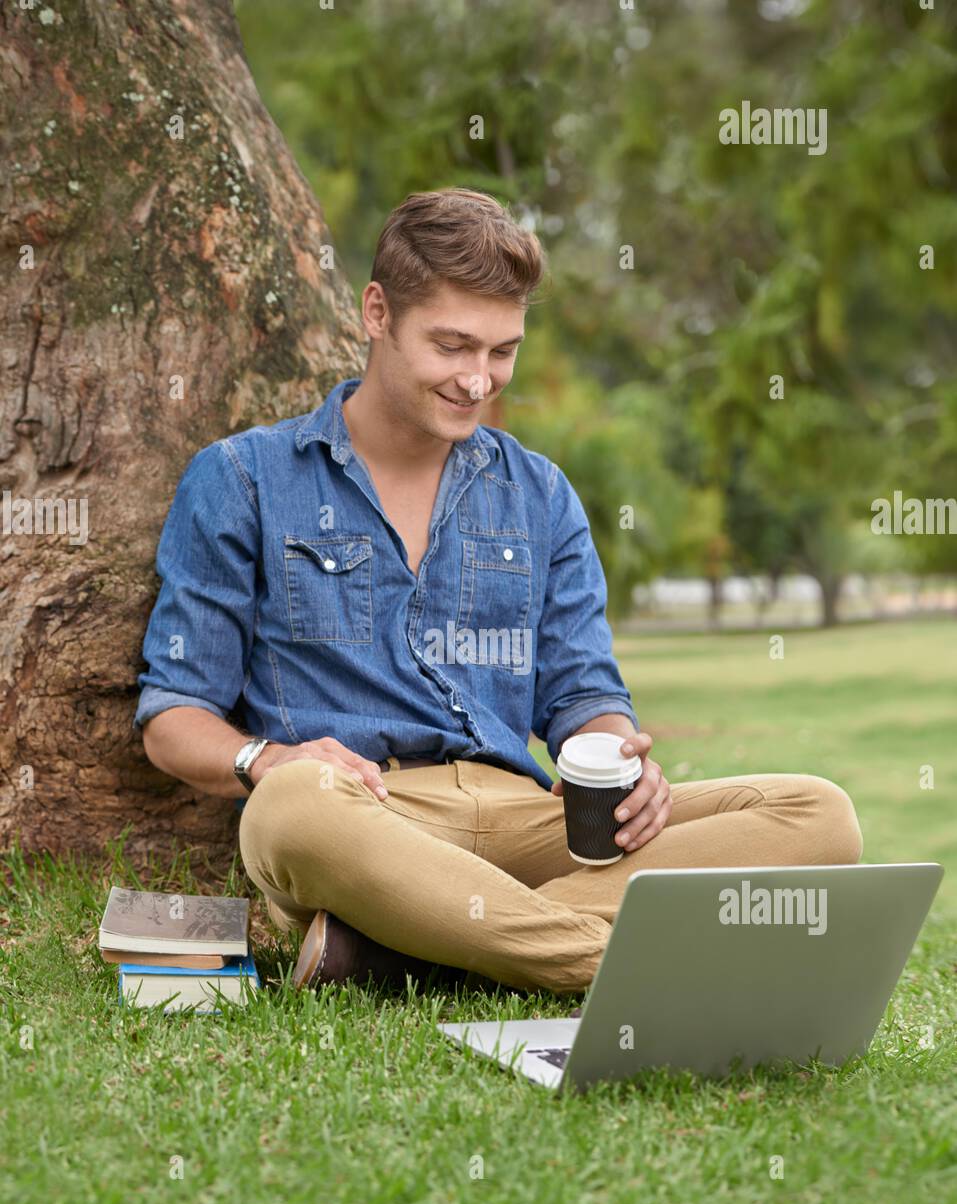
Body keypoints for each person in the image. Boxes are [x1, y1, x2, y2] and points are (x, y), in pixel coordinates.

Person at [134, 187, 863, 998]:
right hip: (364, 818)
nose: (478, 380)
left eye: (501, 351)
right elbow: (172, 719)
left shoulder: (539, 493)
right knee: (286, 811)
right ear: (377, 312)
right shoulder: (243, 479)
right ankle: (613, 961)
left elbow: (583, 690)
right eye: (451, 346)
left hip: (524, 819)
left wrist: (617, 757)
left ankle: (419, 951)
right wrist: (268, 758)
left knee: (817, 814)